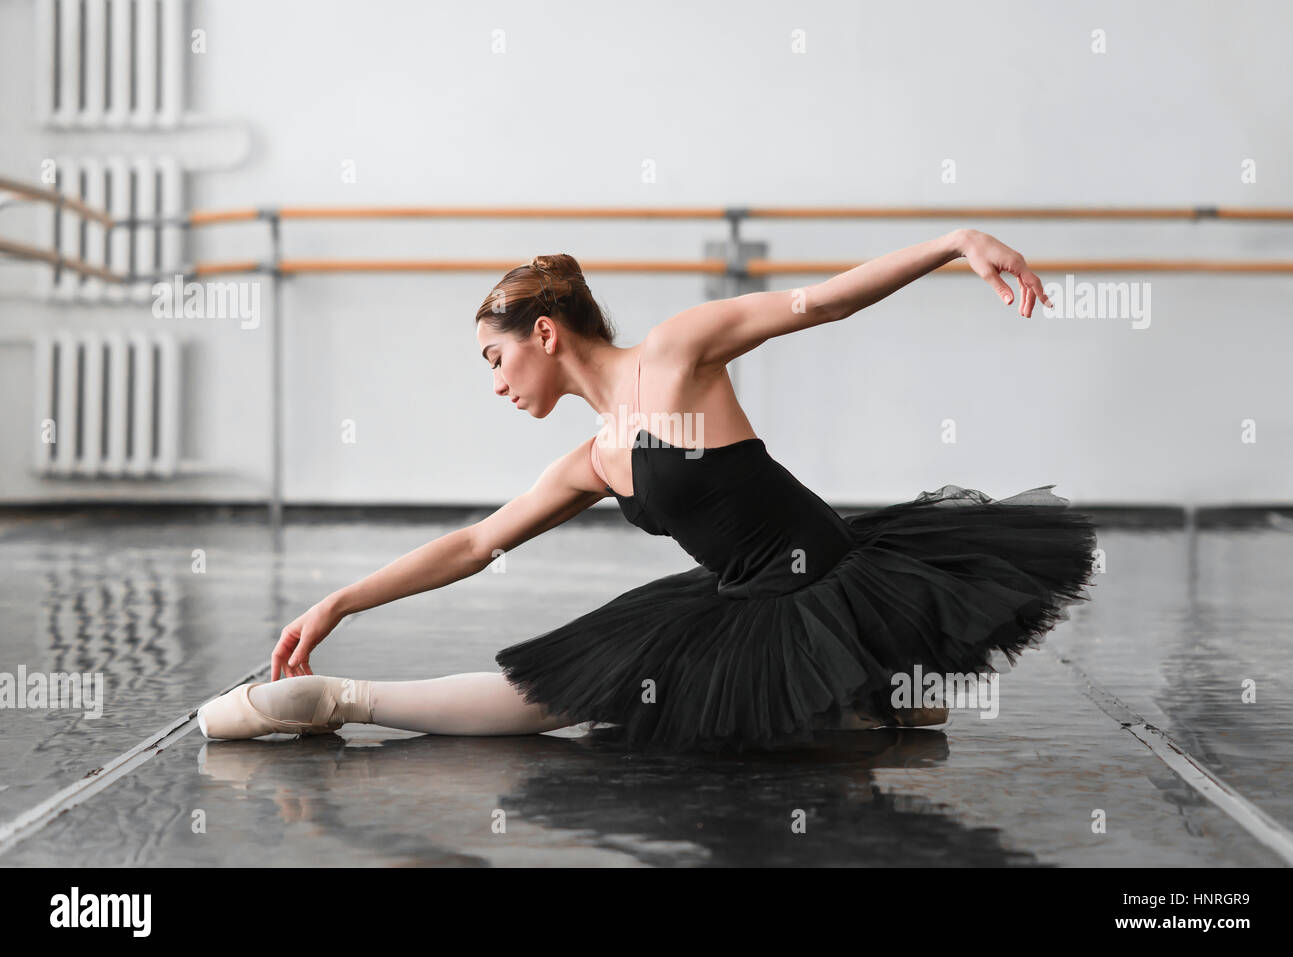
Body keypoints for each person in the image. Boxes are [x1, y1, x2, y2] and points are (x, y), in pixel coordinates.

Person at [198, 230, 1098, 753]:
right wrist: (340, 601)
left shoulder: (677, 353)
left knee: (872, 725)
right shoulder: (594, 459)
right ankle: (343, 699)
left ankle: (869, 696)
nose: (497, 382)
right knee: (570, 686)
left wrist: (954, 242)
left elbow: (821, 303)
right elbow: (477, 544)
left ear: (543, 333)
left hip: (830, 589)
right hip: (738, 603)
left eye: (496, 358)